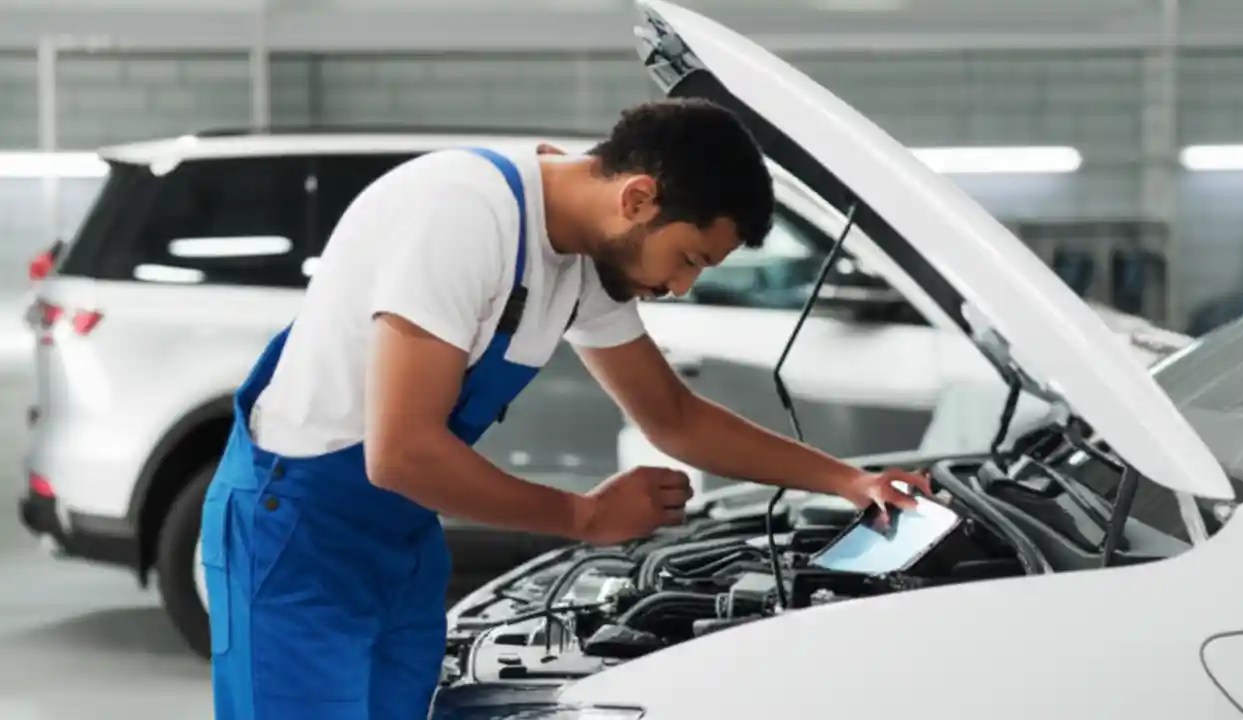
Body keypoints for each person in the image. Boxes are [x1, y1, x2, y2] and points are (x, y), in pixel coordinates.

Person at [200, 98, 930, 719]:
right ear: (638, 198)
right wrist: (583, 518)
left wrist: (848, 482)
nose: (680, 288)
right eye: (689, 260)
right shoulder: (463, 214)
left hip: (399, 537)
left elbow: (672, 416)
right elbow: (400, 453)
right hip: (295, 535)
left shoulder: (580, 256)